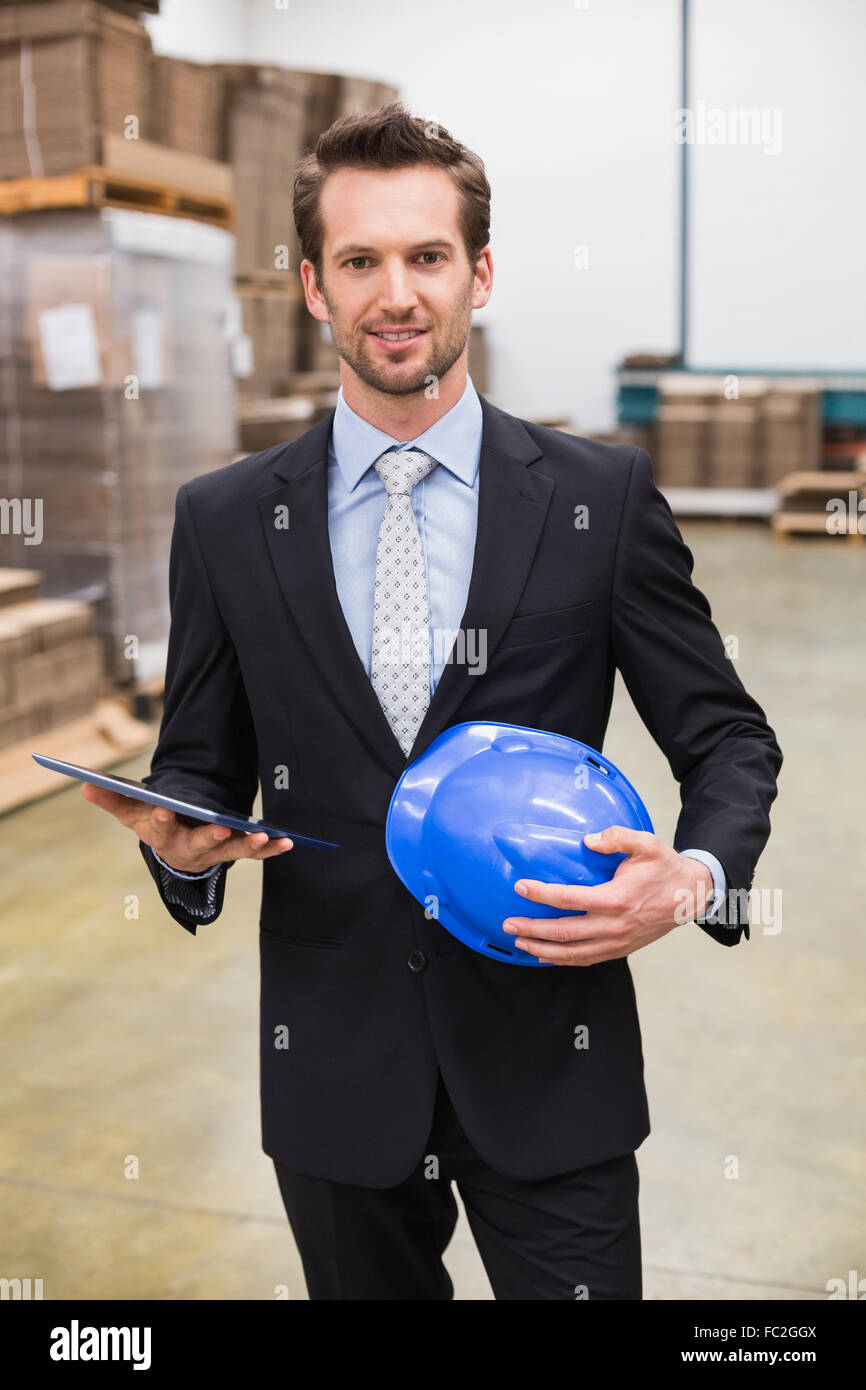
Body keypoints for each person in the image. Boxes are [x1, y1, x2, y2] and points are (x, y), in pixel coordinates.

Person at [82, 103, 782, 1300]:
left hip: (547, 1052)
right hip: (335, 1068)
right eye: (359, 260)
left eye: (426, 256)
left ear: (479, 274)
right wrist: (184, 845)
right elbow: (198, 762)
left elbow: (724, 735)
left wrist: (693, 878)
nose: (394, 293)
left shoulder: (594, 499)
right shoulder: (227, 520)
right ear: (312, 285)